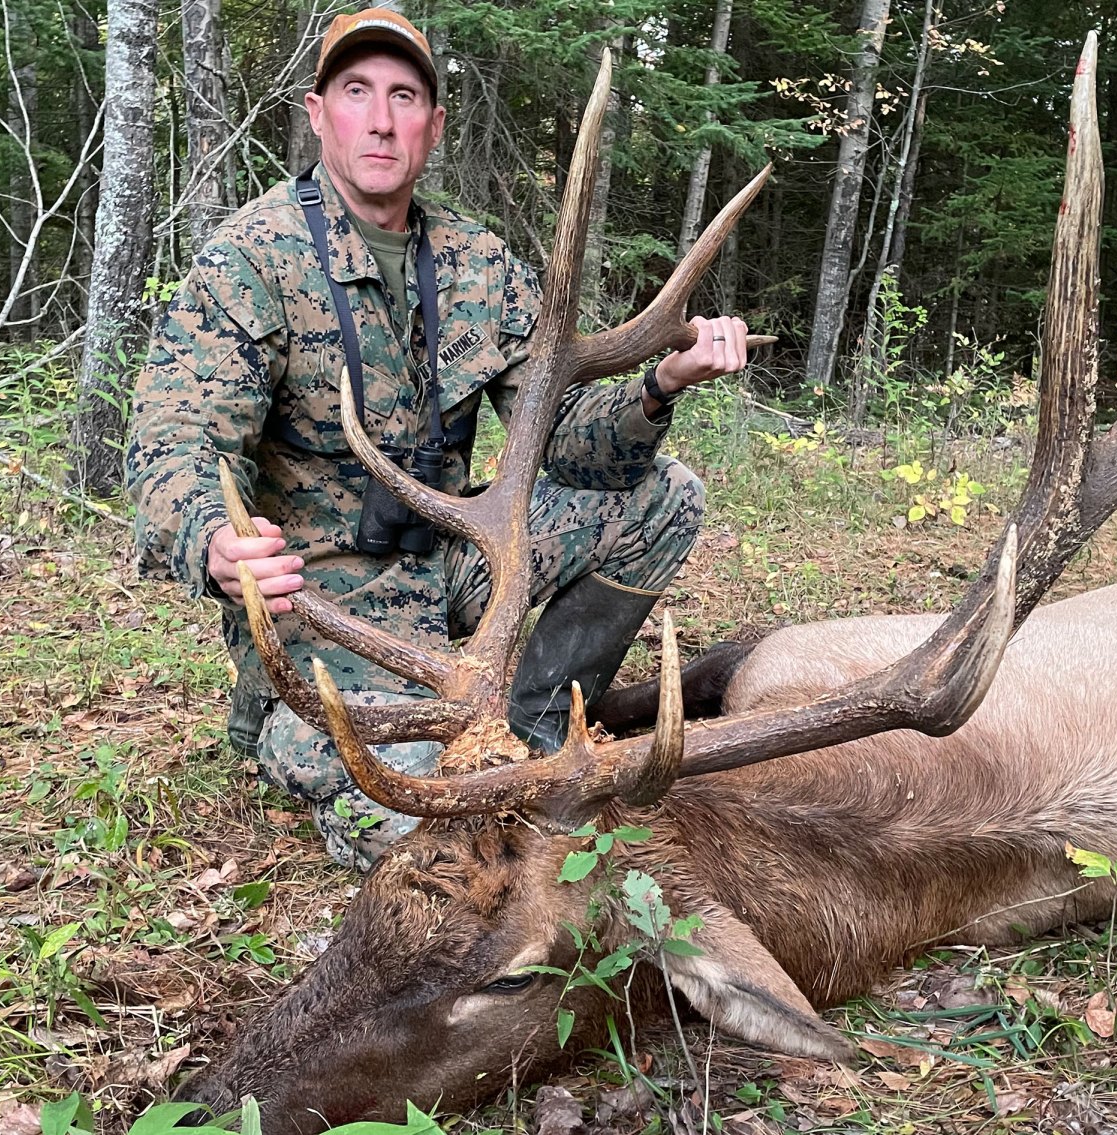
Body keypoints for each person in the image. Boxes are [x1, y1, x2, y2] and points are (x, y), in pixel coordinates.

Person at [126, 9, 748, 869]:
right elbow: (173, 443)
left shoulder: (478, 264)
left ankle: (529, 730)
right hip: (326, 610)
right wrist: (216, 542)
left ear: (433, 125)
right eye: (357, 93)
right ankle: (315, 737)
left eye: (404, 97)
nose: (381, 119)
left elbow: (564, 442)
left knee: (663, 497)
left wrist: (658, 386)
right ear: (318, 113)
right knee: (424, 810)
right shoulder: (249, 260)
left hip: (450, 568)